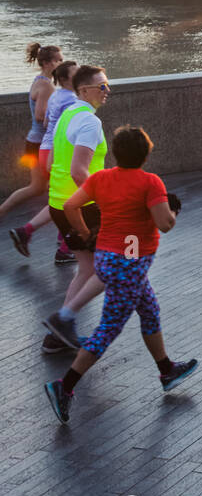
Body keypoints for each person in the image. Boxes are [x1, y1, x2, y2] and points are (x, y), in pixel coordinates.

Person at [43, 125, 196, 424]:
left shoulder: (101, 178)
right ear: (146, 153)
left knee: (150, 311)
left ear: (115, 152)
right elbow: (164, 224)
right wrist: (172, 212)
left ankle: (166, 370)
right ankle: (64, 386)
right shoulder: (150, 182)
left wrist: (87, 233)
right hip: (130, 262)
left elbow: (71, 205)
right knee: (107, 329)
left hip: (111, 255)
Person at [41, 66, 110, 357]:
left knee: (86, 268)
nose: (107, 91)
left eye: (107, 85)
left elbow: (53, 164)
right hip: (84, 206)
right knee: (108, 270)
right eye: (101, 87)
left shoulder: (67, 114)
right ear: (83, 90)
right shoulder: (89, 122)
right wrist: (109, 202)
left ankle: (56, 335)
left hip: (59, 203)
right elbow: (80, 172)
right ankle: (63, 318)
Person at [9, 58, 78, 262]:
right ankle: (65, 247)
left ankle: (61, 238)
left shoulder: (56, 95)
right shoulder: (72, 100)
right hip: (58, 151)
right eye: (76, 73)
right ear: (65, 79)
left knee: (61, 197)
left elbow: (47, 121)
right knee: (76, 198)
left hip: (45, 148)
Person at [0, 42, 63, 220]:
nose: (61, 63)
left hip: (34, 141)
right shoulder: (46, 86)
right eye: (59, 60)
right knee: (45, 186)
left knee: (39, 187)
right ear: (48, 63)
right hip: (40, 143)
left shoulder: (40, 81)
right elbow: (40, 117)